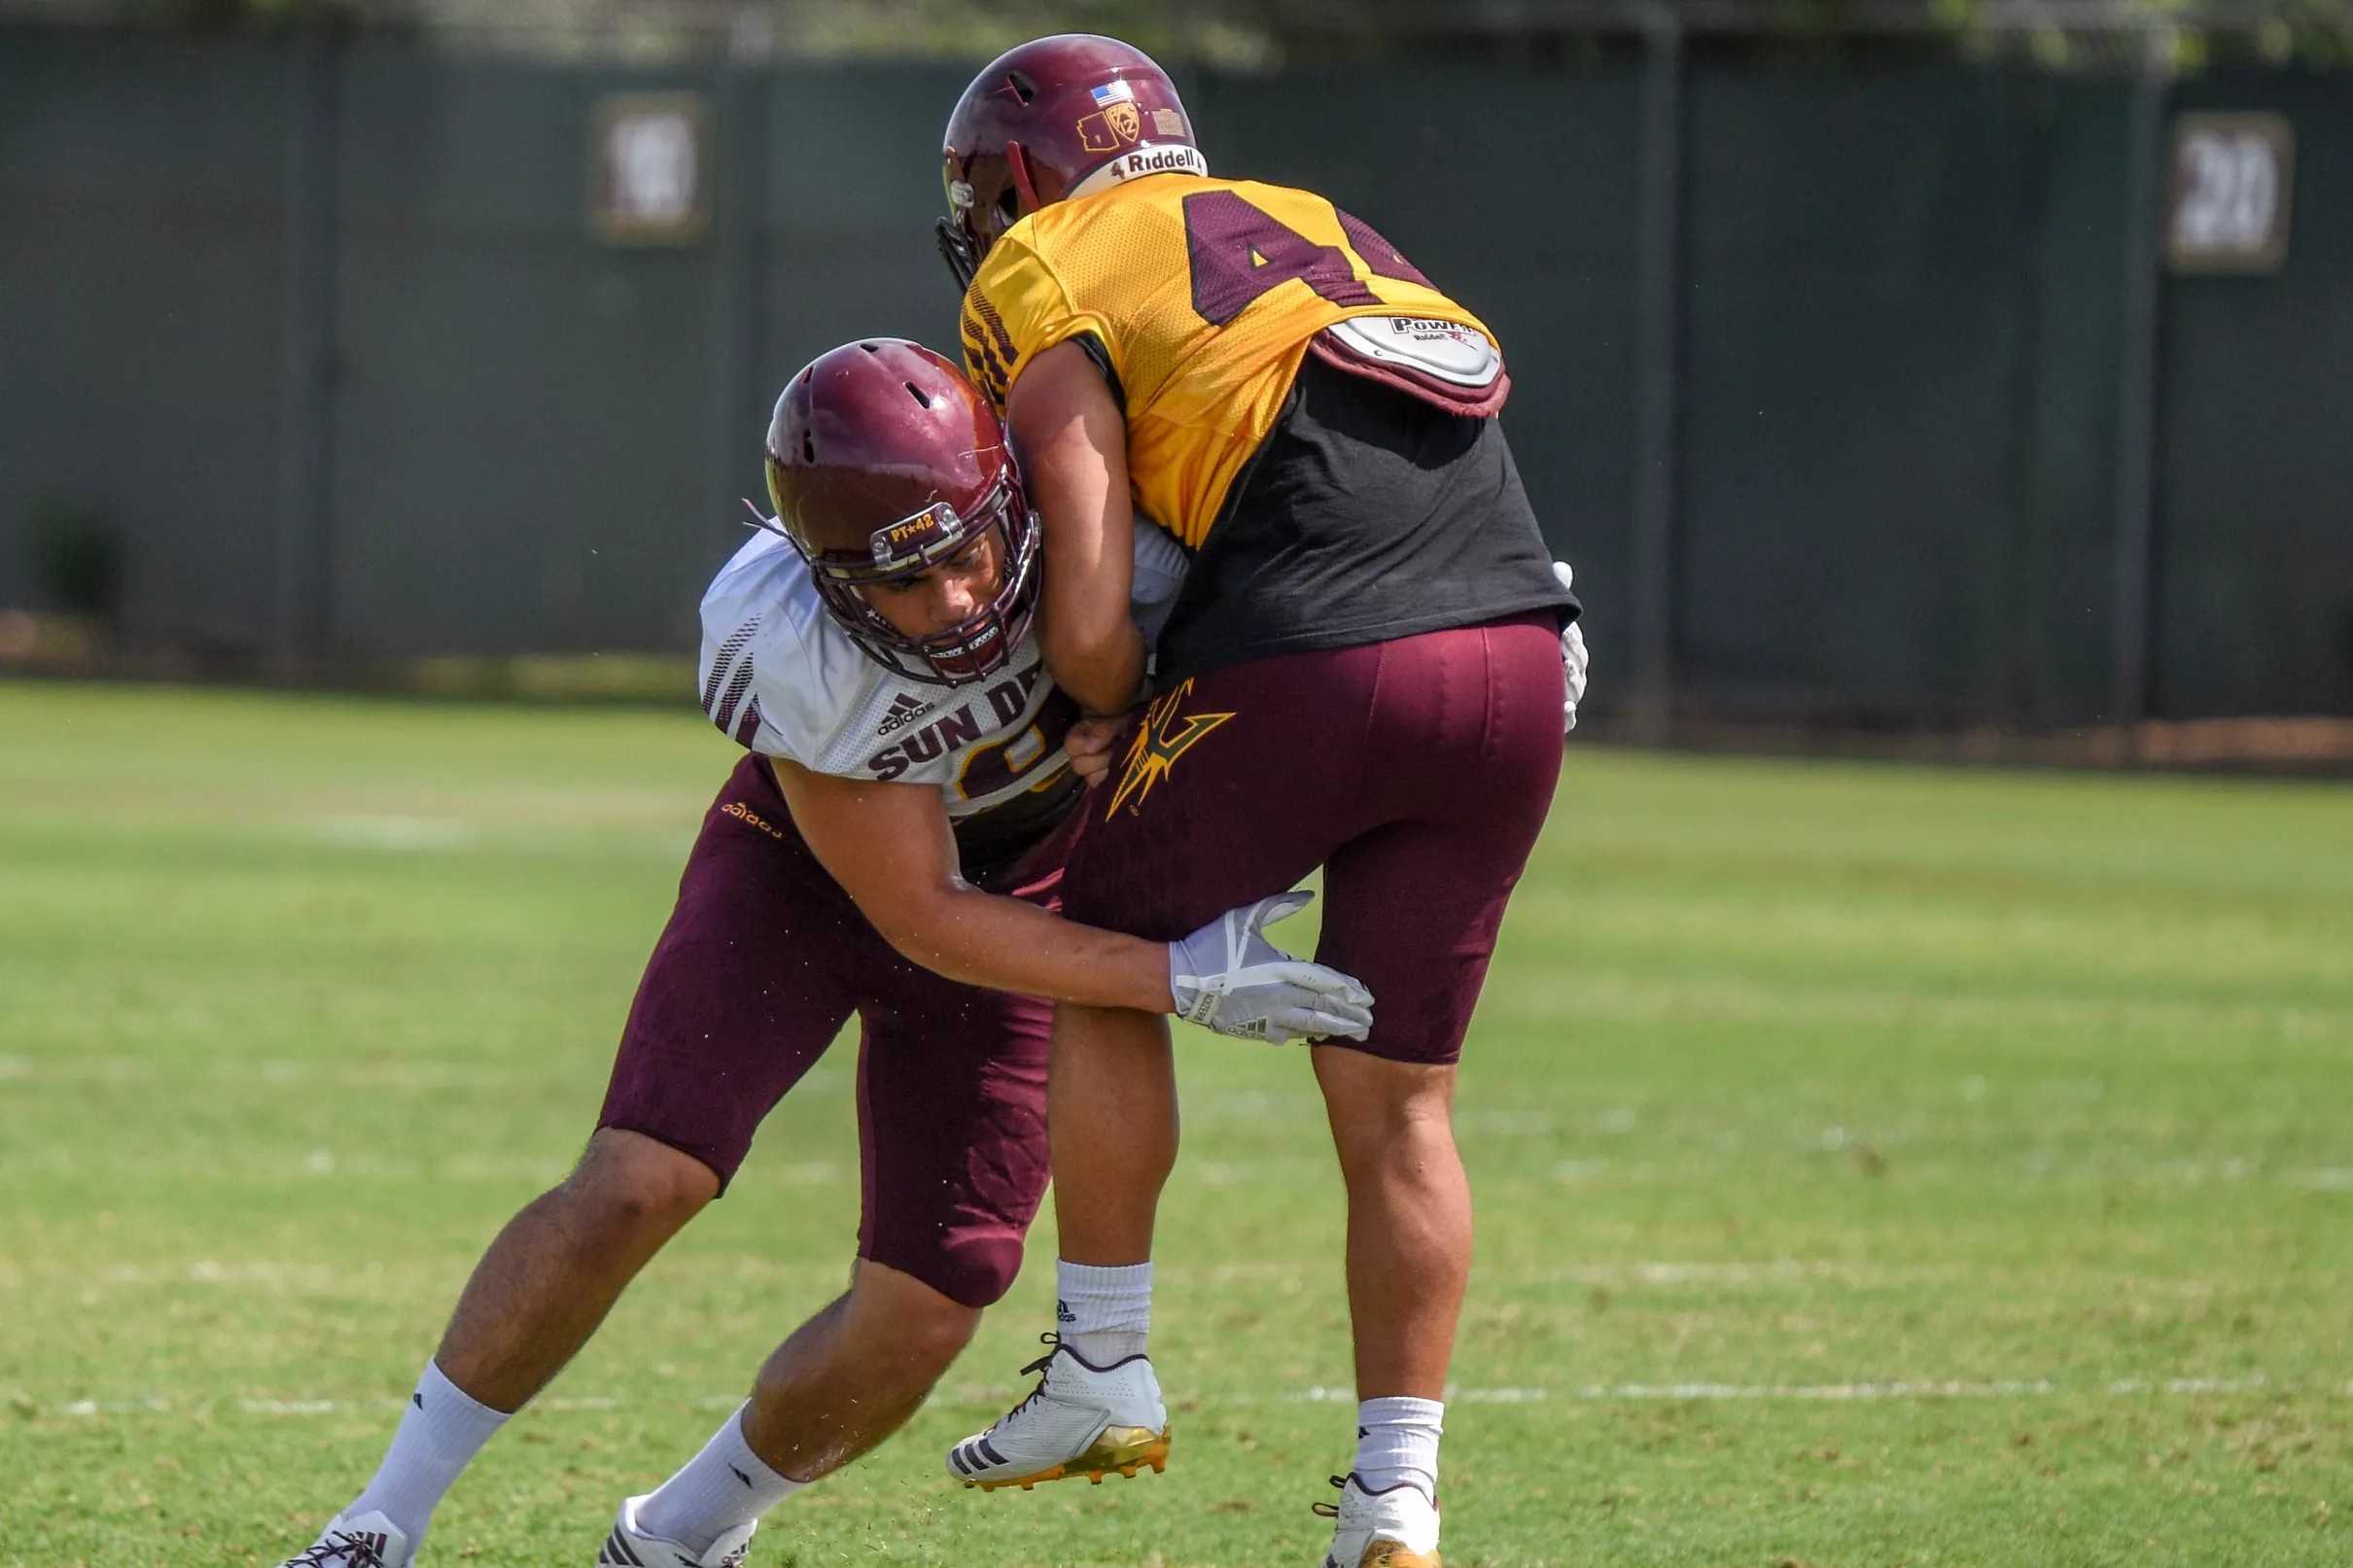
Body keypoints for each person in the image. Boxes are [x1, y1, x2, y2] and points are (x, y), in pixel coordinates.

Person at [266, 339, 1374, 1568]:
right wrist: (1181, 977)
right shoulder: (780, 635)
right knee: (644, 1175)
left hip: (1025, 886)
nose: (955, 597)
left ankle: (683, 1534)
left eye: (967, 550)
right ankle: (380, 1518)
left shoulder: (1110, 537)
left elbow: (1322, 602)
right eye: (905, 579)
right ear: (830, 580)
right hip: (810, 872)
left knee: (930, 1306)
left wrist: (1515, 625)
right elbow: (922, 913)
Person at [932, 36, 1590, 1568]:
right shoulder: (1317, 216)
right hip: (1520, 661)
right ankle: (1395, 1499)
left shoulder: (1047, 260)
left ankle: (1100, 1364)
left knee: (1099, 943)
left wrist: (1107, 710)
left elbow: (1093, 614)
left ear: (1026, 177)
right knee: (1405, 1100)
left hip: (1320, 656)